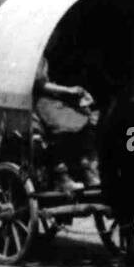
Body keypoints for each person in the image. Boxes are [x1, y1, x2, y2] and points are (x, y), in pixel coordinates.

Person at [32, 57, 99, 193]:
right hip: (41, 102)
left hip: (53, 100)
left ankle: (87, 167)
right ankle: (61, 176)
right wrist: (69, 90)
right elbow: (40, 84)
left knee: (86, 118)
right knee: (62, 124)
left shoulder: (45, 58)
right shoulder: (35, 58)